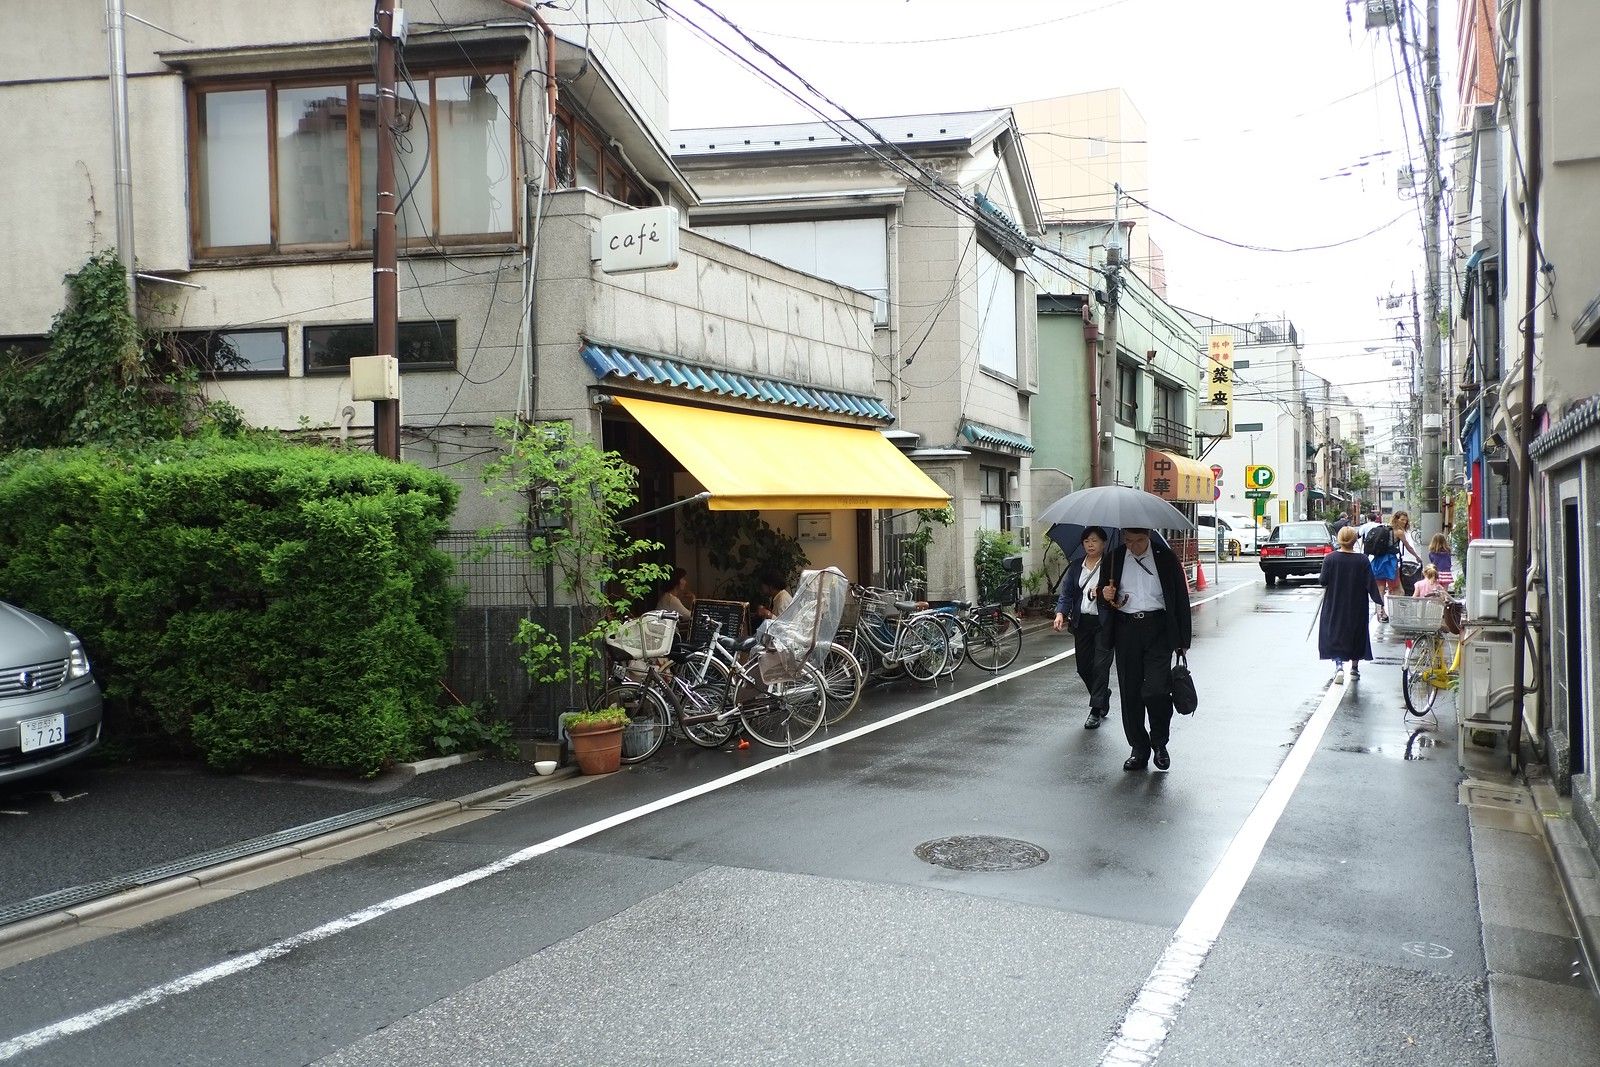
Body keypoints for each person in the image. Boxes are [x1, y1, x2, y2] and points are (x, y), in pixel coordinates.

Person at [1098, 528, 1191, 773]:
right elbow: (1102, 597)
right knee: (1130, 693)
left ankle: (1160, 742)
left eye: (1139, 541)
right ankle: (1139, 748)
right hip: (1126, 629)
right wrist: (1105, 593)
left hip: (1158, 628)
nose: (1134, 546)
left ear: (1148, 536)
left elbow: (1180, 596)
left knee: (1156, 690)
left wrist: (1183, 638)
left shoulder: (1165, 557)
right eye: (1128, 541)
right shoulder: (1114, 558)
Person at [1052, 526, 1114, 730]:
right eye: (1087, 541)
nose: (1090, 544)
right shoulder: (1077, 565)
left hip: (1104, 624)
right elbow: (1067, 593)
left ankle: (1095, 710)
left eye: (1095, 541)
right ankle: (1102, 694)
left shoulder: (1112, 566)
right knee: (1083, 667)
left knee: (1100, 666)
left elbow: (1120, 593)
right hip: (1082, 623)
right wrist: (1060, 613)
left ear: (1103, 543)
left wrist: (1106, 594)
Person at [1319, 526, 1383, 683]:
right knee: (1356, 633)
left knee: (1335, 632)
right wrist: (1379, 603)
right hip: (1357, 603)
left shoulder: (1330, 558)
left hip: (1335, 602)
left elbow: (1323, 581)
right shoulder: (1362, 560)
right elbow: (1370, 583)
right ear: (1355, 540)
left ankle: (1339, 666)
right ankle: (1354, 668)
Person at [1392, 510, 1423, 596]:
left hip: (1380, 560)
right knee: (1398, 589)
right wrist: (1417, 557)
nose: (1404, 522)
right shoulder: (1399, 532)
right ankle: (1399, 606)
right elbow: (1408, 547)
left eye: (1405, 520)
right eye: (1402, 519)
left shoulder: (1389, 528)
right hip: (1390, 561)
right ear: (1396, 519)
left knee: (1383, 588)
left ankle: (1381, 608)